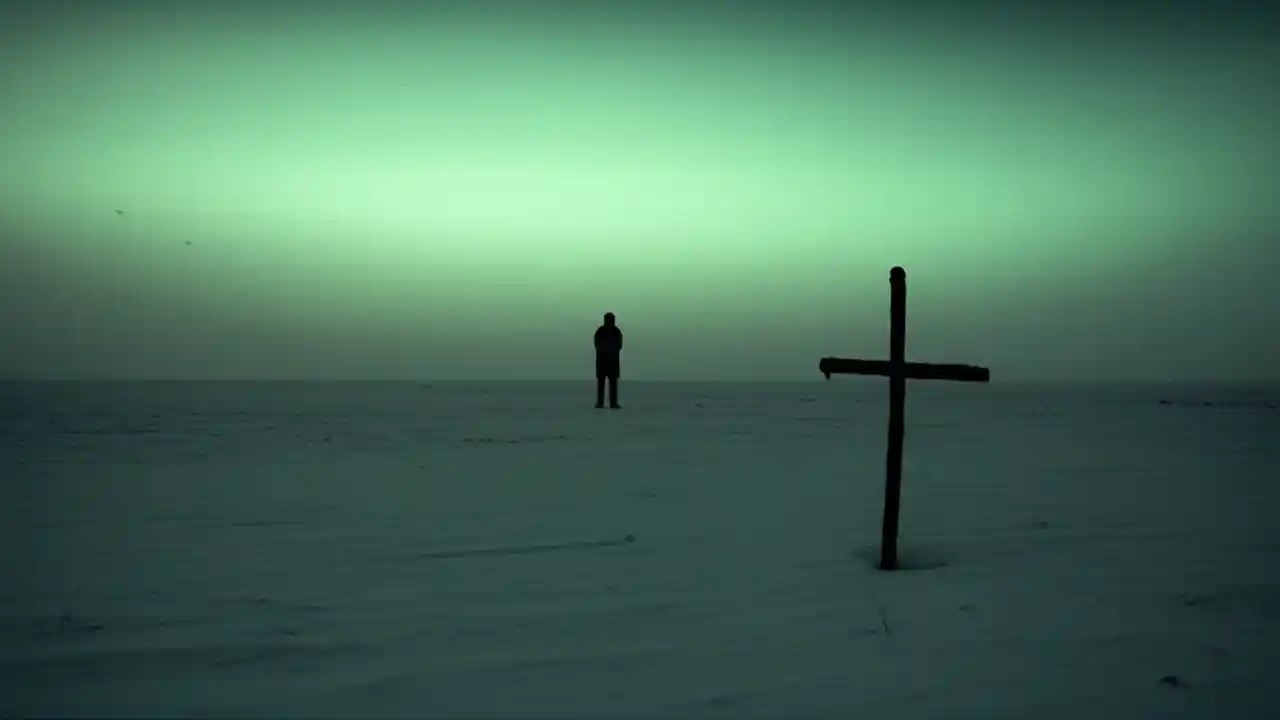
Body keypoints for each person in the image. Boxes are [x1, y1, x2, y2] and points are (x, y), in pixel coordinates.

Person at [593, 312, 623, 409]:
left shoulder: (616, 331)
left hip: (612, 362)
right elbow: (597, 343)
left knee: (613, 384)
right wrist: (606, 350)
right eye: (608, 319)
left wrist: (610, 350)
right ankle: (600, 402)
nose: (610, 321)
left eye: (611, 319)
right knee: (601, 384)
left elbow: (619, 345)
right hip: (603, 361)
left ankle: (613, 403)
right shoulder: (600, 331)